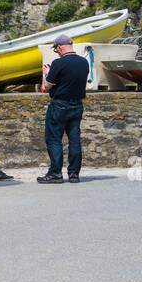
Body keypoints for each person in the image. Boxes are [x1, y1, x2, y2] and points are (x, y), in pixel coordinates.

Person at [39, 33, 88, 184]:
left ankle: (55, 173)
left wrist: (47, 74)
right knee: (74, 140)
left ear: (59, 47)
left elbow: (46, 87)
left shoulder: (58, 64)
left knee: (54, 139)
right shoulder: (84, 62)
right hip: (77, 104)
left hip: (60, 105)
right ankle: (74, 174)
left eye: (56, 49)